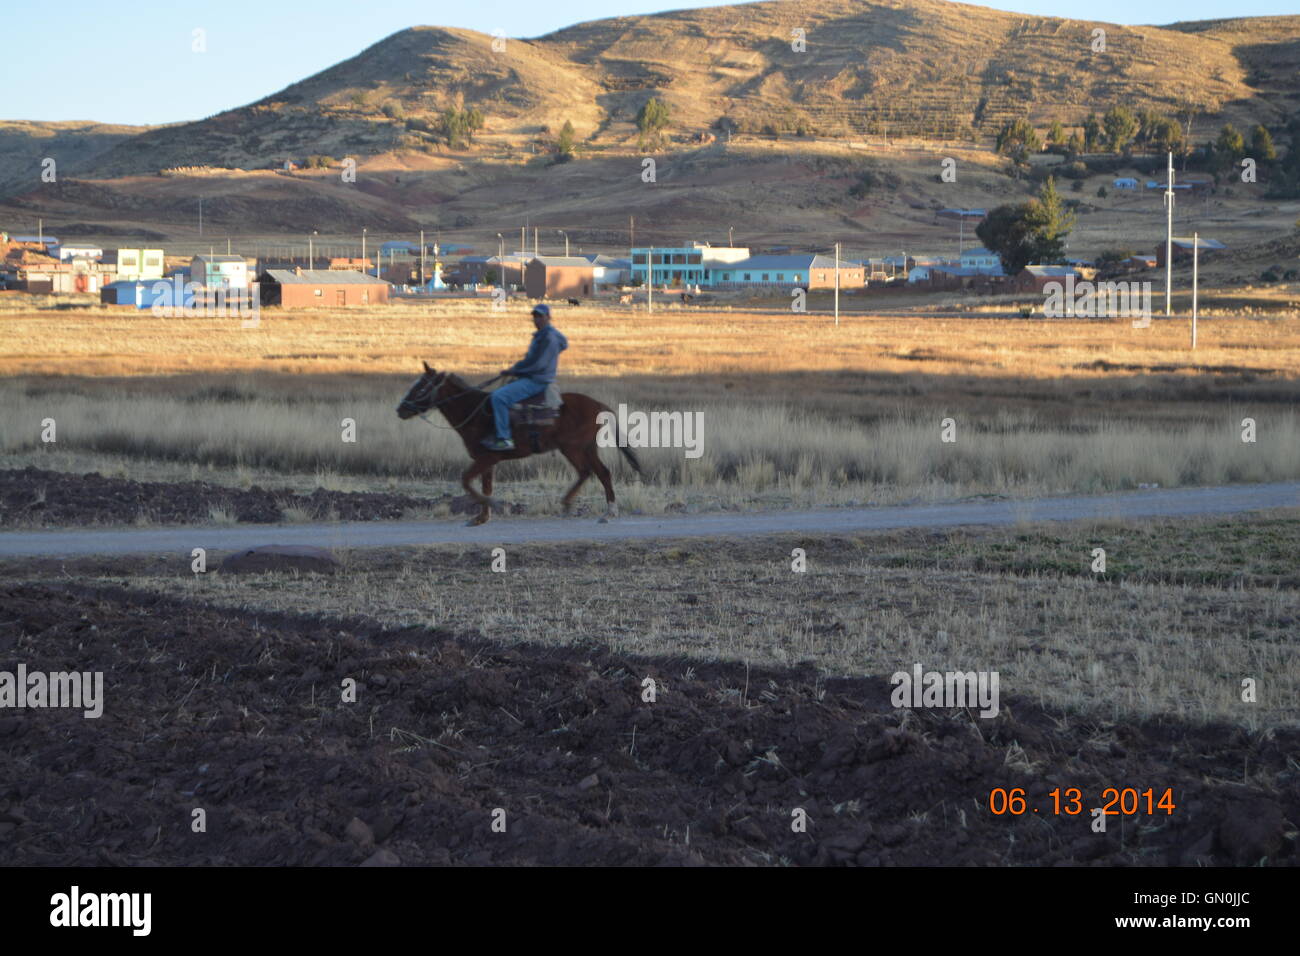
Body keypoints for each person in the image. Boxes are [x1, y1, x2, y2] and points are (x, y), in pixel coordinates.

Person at [482, 304, 568, 451]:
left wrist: (517, 372)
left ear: (548, 317)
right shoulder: (541, 335)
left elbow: (539, 365)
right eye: (535, 316)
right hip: (533, 377)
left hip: (538, 380)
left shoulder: (549, 338)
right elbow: (530, 360)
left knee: (498, 397)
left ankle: (504, 438)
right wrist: (514, 369)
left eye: (540, 316)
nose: (537, 319)